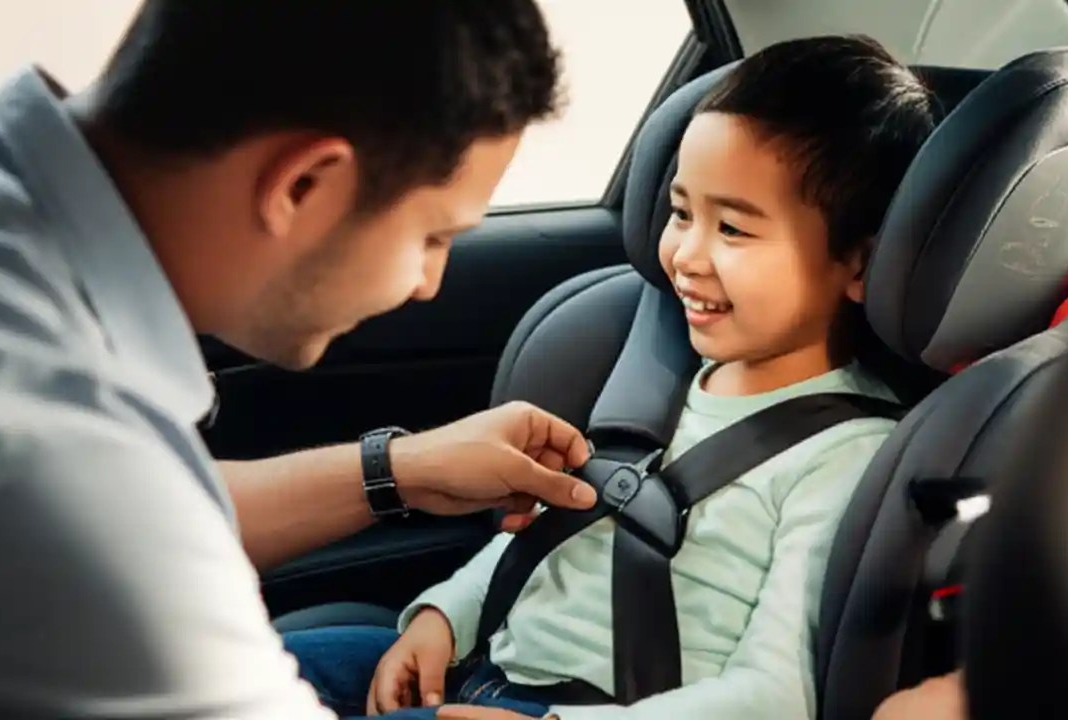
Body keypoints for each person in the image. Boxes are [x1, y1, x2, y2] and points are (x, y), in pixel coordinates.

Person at [0, 3, 600, 718]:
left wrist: (398, 470)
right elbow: (105, 518)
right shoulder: (44, 468)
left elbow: (147, 507)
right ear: (303, 186)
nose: (428, 283)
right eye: (432, 237)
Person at [283, 35, 938, 720]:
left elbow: (775, 696)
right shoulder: (657, 378)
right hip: (485, 668)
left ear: (859, 264)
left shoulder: (844, 454)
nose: (685, 255)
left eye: (733, 230)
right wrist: (442, 617)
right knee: (276, 666)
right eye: (681, 213)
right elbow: (550, 542)